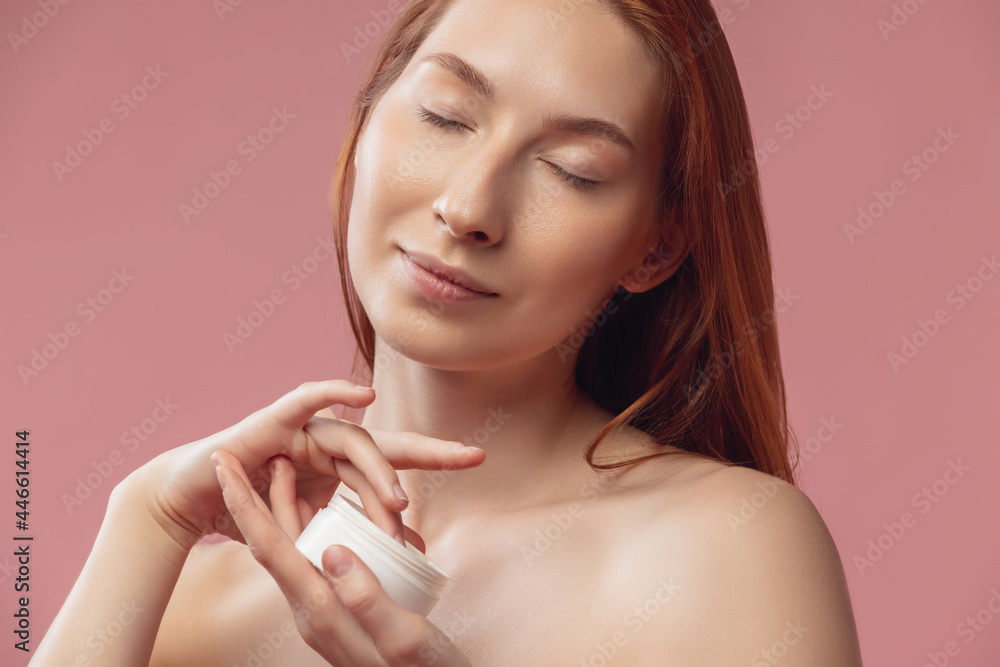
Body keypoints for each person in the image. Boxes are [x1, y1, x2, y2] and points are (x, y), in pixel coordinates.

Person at [32, 0, 865, 664]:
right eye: (445, 115)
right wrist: (144, 519)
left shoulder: (726, 549)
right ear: (365, 124)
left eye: (572, 170)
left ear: (656, 246)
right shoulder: (192, 593)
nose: (468, 208)